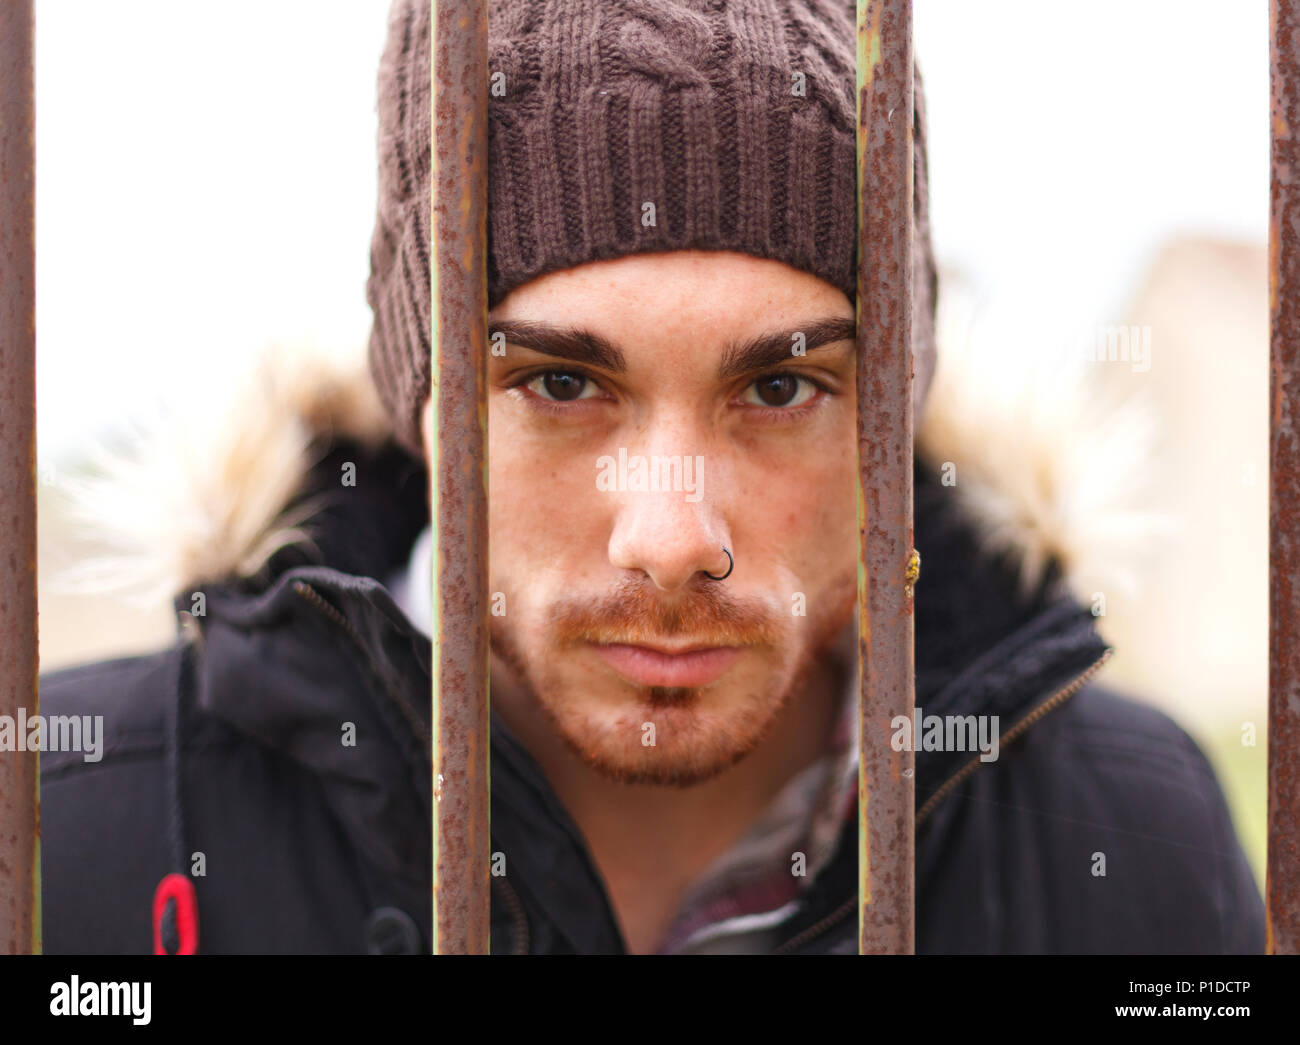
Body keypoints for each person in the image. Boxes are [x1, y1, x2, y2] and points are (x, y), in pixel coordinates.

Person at [39, 0, 1262, 954]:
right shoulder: (76, 820)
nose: (673, 537)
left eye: (779, 387)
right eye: (562, 385)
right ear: (420, 398)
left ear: (887, 412)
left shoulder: (1136, 836)